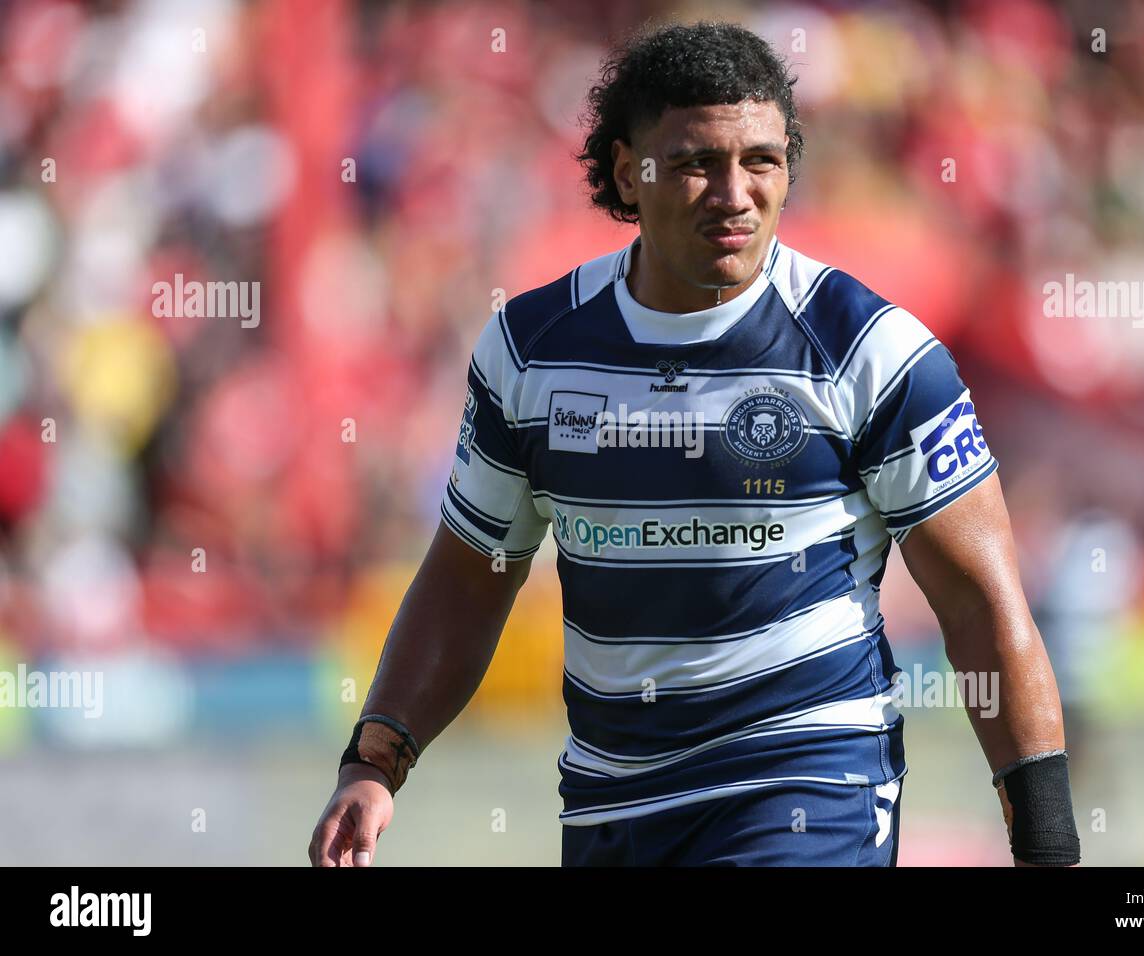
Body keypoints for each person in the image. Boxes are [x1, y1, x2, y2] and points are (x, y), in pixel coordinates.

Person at [308, 19, 1080, 868]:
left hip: (808, 786)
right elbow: (467, 577)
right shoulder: (531, 350)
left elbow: (982, 603)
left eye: (762, 161)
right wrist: (375, 762)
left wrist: (1047, 843)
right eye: (694, 164)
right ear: (623, 177)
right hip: (611, 802)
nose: (735, 193)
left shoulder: (873, 352)